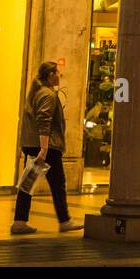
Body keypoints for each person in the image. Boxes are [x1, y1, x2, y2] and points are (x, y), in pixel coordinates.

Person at [12, 61, 82, 234]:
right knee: (58, 183)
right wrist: (44, 148)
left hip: (32, 145)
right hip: (45, 147)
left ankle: (19, 221)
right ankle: (65, 221)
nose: (60, 76)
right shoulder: (47, 94)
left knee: (28, 183)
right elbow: (44, 121)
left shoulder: (36, 92)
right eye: (58, 73)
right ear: (51, 74)